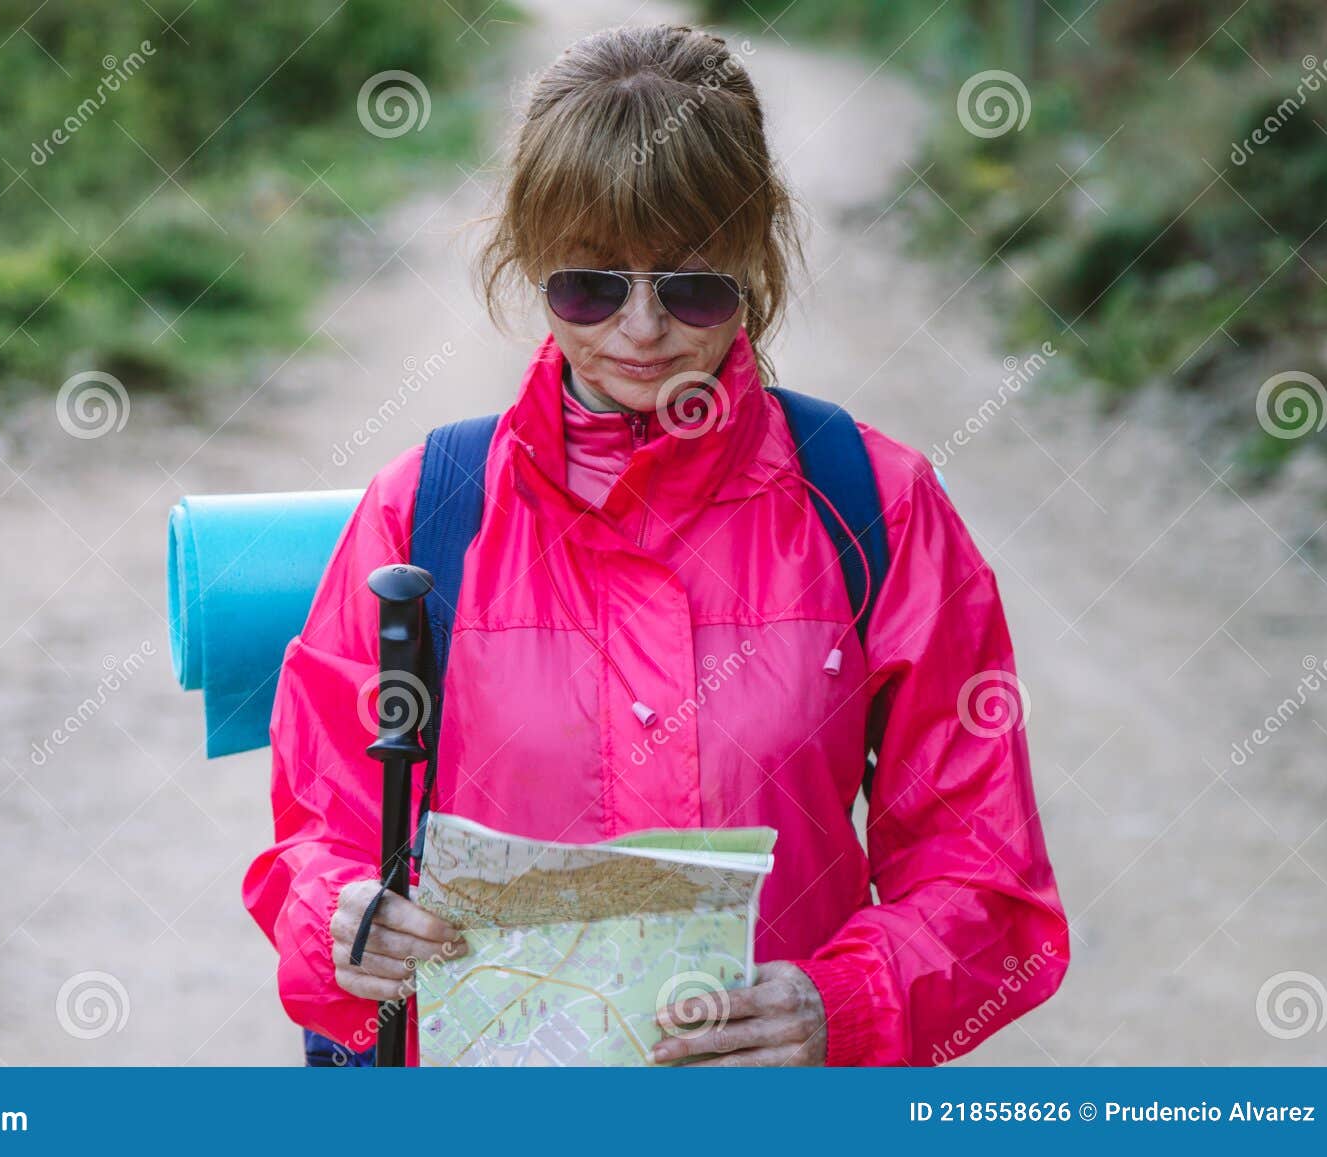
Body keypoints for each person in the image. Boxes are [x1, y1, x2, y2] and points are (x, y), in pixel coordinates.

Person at [243, 22, 1069, 1067]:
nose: (640, 331)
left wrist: (841, 1002)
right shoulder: (422, 514)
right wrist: (342, 920)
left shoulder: (875, 509)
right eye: (590, 284)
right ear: (531, 262)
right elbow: (319, 840)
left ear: (755, 259)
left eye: (691, 285)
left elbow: (984, 878)